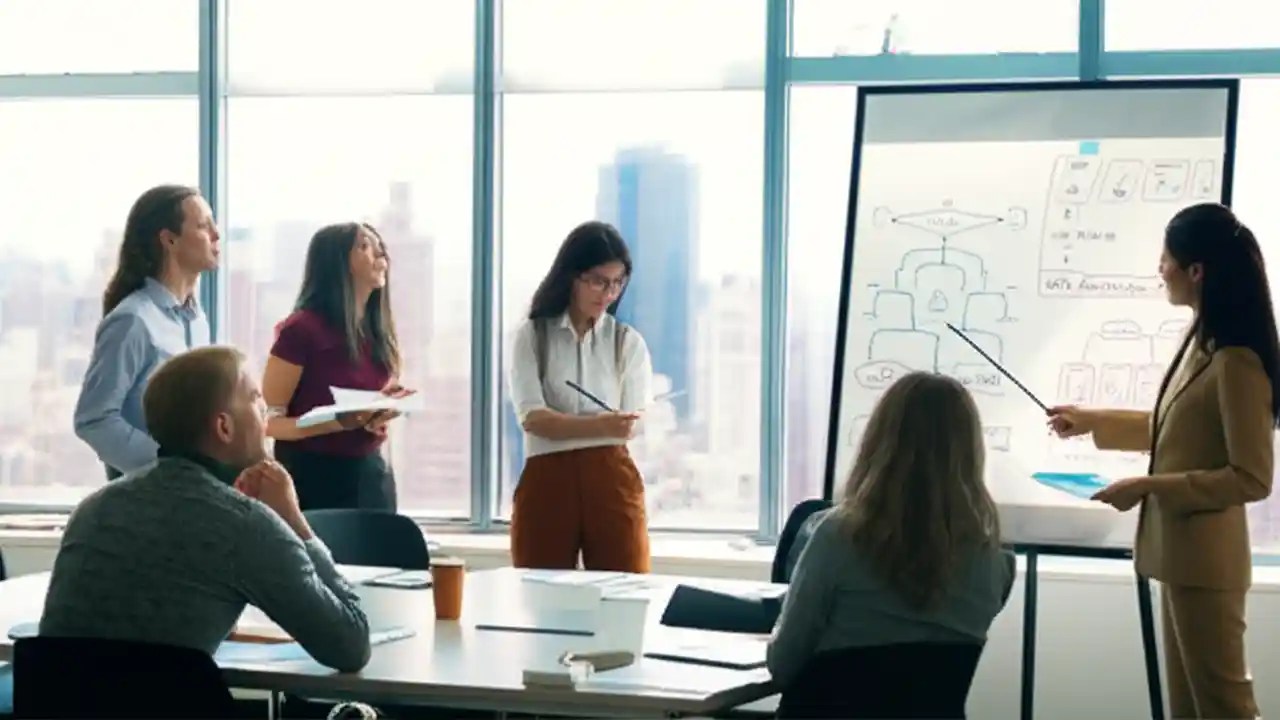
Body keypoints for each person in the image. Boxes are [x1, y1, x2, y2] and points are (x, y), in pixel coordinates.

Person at [1048, 202, 1278, 719]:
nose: (1159, 269)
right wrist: (1092, 420)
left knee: (1224, 707)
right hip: (1180, 558)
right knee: (1188, 711)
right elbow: (1178, 426)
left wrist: (1149, 487)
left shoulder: (1236, 361)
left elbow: (1251, 478)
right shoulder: (1201, 341)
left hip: (1207, 566)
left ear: (1196, 271)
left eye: (1166, 259)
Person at [41, 346, 371, 674]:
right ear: (224, 427)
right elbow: (351, 645)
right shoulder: (246, 525)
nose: (267, 411)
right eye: (255, 398)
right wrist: (294, 522)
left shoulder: (94, 510)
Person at [767, 372, 1014, 695]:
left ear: (878, 442)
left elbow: (783, 664)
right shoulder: (996, 561)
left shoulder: (837, 535)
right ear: (971, 450)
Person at [507, 220, 654, 572]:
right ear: (572, 276)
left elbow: (633, 425)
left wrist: (572, 425)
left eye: (617, 282)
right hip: (547, 481)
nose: (608, 293)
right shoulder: (533, 336)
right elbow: (534, 419)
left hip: (612, 479)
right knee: (539, 591)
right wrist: (602, 425)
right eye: (598, 281)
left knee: (625, 590)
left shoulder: (627, 342)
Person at [263, 222, 409, 512]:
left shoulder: (375, 330)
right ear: (337, 264)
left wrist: (380, 405)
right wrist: (338, 422)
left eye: (379, 245)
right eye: (364, 246)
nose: (380, 253)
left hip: (371, 473)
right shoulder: (301, 330)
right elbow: (268, 422)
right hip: (313, 476)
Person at [74, 184, 217, 478]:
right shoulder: (133, 320)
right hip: (148, 493)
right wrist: (164, 467)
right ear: (169, 239)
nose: (216, 234)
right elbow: (93, 419)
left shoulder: (197, 320)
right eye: (204, 226)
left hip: (194, 488)